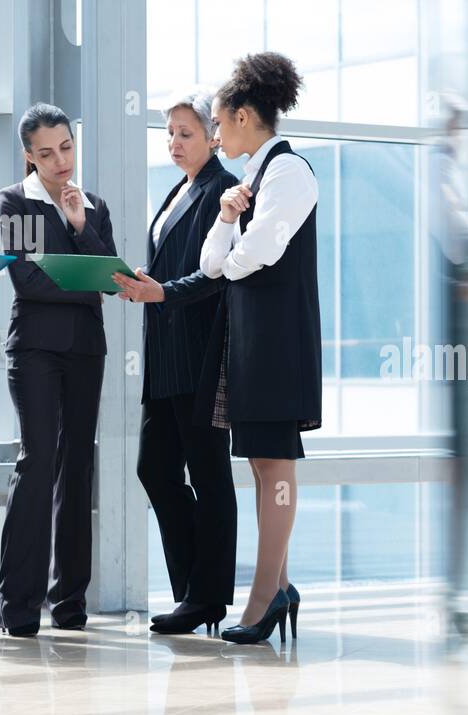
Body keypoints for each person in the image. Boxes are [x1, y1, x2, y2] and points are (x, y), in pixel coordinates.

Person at [109, 89, 240, 634]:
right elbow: (172, 265)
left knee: (209, 475)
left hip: (201, 356)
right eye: (169, 134)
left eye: (186, 133)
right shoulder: (176, 191)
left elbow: (219, 273)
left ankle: (206, 595)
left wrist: (160, 292)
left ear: (214, 135)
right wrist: (143, 283)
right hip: (165, 358)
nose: (174, 143)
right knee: (155, 470)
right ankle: (191, 589)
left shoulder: (225, 192)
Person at [202, 51, 321, 644]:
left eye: (219, 123)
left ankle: (264, 596)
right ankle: (281, 585)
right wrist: (225, 222)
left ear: (246, 116)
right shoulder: (252, 178)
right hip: (252, 342)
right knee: (261, 465)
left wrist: (230, 253)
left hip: (277, 343)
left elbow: (261, 253)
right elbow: (213, 261)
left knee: (275, 465)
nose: (215, 133)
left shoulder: (289, 172)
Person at [0, 103, 115, 637]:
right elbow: (27, 283)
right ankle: (18, 606)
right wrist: (87, 281)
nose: (60, 160)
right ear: (28, 155)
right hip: (35, 351)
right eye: (46, 153)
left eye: (65, 147)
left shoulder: (94, 205)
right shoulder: (14, 202)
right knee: (38, 461)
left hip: (86, 350)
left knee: (77, 469)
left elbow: (111, 280)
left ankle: (69, 602)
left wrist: (80, 227)